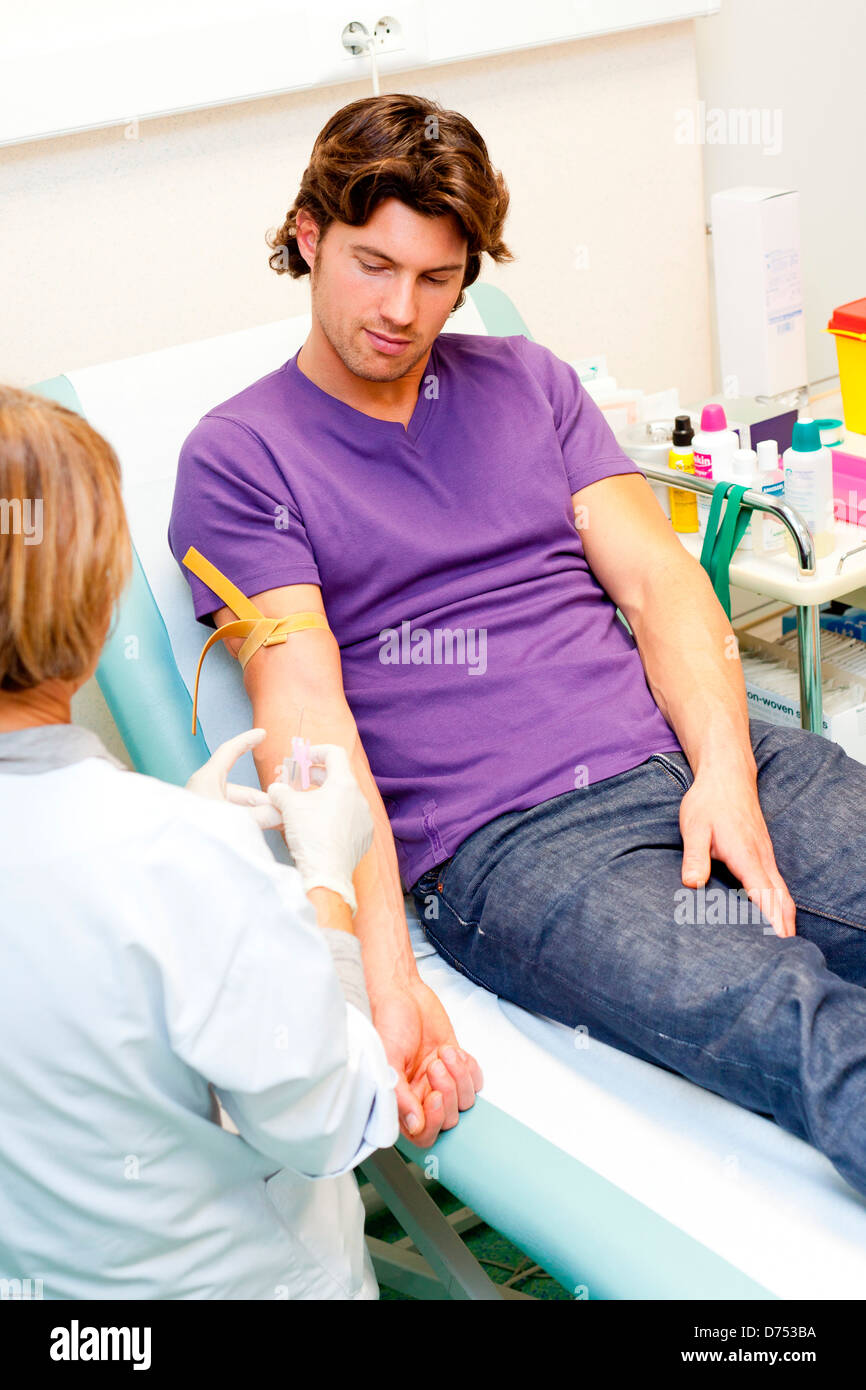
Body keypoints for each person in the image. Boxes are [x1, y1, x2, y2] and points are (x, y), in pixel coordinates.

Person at [169, 92, 866, 1199]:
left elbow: (662, 585)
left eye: (437, 279)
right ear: (307, 236)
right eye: (371, 264)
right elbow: (306, 725)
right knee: (804, 1030)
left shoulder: (529, 386)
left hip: (699, 755)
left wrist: (726, 775)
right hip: (518, 848)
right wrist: (382, 977)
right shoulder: (239, 458)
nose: (401, 309)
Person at [0, 384, 398, 1299]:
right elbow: (332, 1116)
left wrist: (187, 844)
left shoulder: (165, 854)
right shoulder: (172, 861)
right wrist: (324, 886)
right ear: (100, 605)